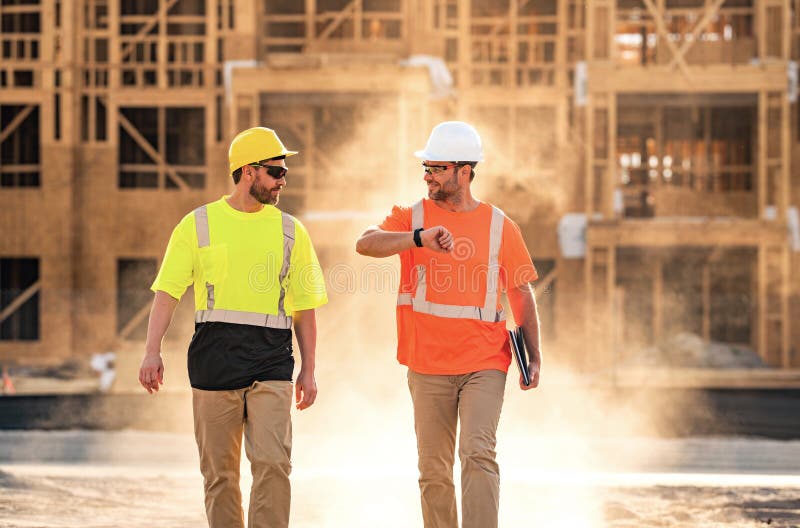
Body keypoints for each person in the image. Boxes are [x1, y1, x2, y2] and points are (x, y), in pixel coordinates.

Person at [138, 127, 327, 528]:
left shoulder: (292, 231)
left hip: (272, 359)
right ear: (248, 172)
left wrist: (309, 369)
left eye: (284, 173)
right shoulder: (197, 225)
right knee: (221, 477)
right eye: (276, 172)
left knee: (274, 464)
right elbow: (168, 292)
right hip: (214, 360)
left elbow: (305, 307)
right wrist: (151, 351)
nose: (282, 181)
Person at [355, 121, 541, 528]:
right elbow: (365, 243)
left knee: (477, 453)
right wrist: (416, 238)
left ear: (464, 170)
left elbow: (520, 293)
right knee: (434, 471)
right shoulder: (412, 217)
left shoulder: (499, 226)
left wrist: (535, 355)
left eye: (436, 168)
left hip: (485, 363)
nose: (428, 176)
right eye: (426, 168)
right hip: (427, 366)